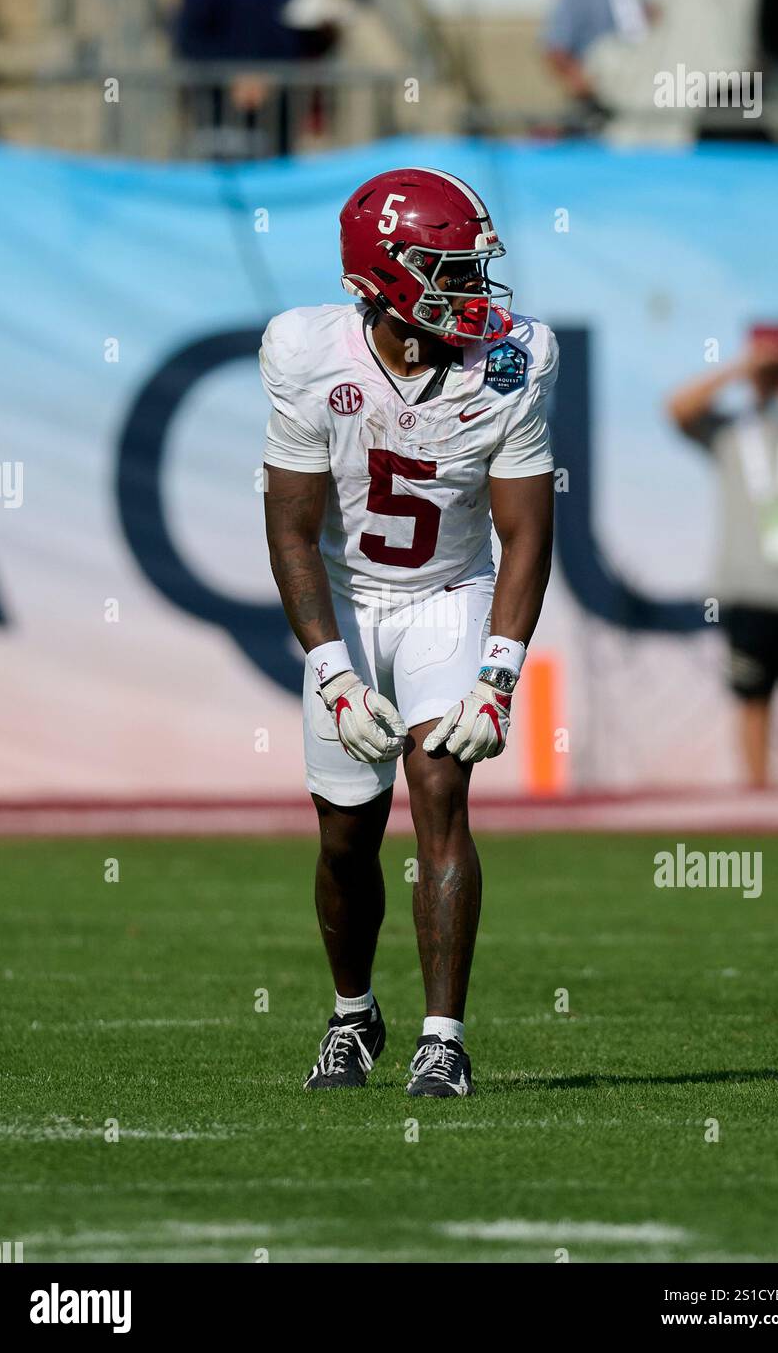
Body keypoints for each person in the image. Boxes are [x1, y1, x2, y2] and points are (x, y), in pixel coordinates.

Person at [261, 168, 558, 1096]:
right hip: (350, 597)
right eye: (448, 268)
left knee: (439, 782)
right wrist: (334, 676)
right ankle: (354, 1017)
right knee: (347, 835)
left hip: (450, 592)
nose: (473, 288)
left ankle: (444, 1037)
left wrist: (499, 674)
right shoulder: (307, 352)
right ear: (380, 277)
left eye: (474, 266)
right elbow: (292, 532)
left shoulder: (515, 360)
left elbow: (525, 534)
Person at [667, 326, 778, 787]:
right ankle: (759, 800)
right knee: (753, 698)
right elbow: (677, 409)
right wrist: (741, 369)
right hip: (749, 588)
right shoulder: (730, 430)